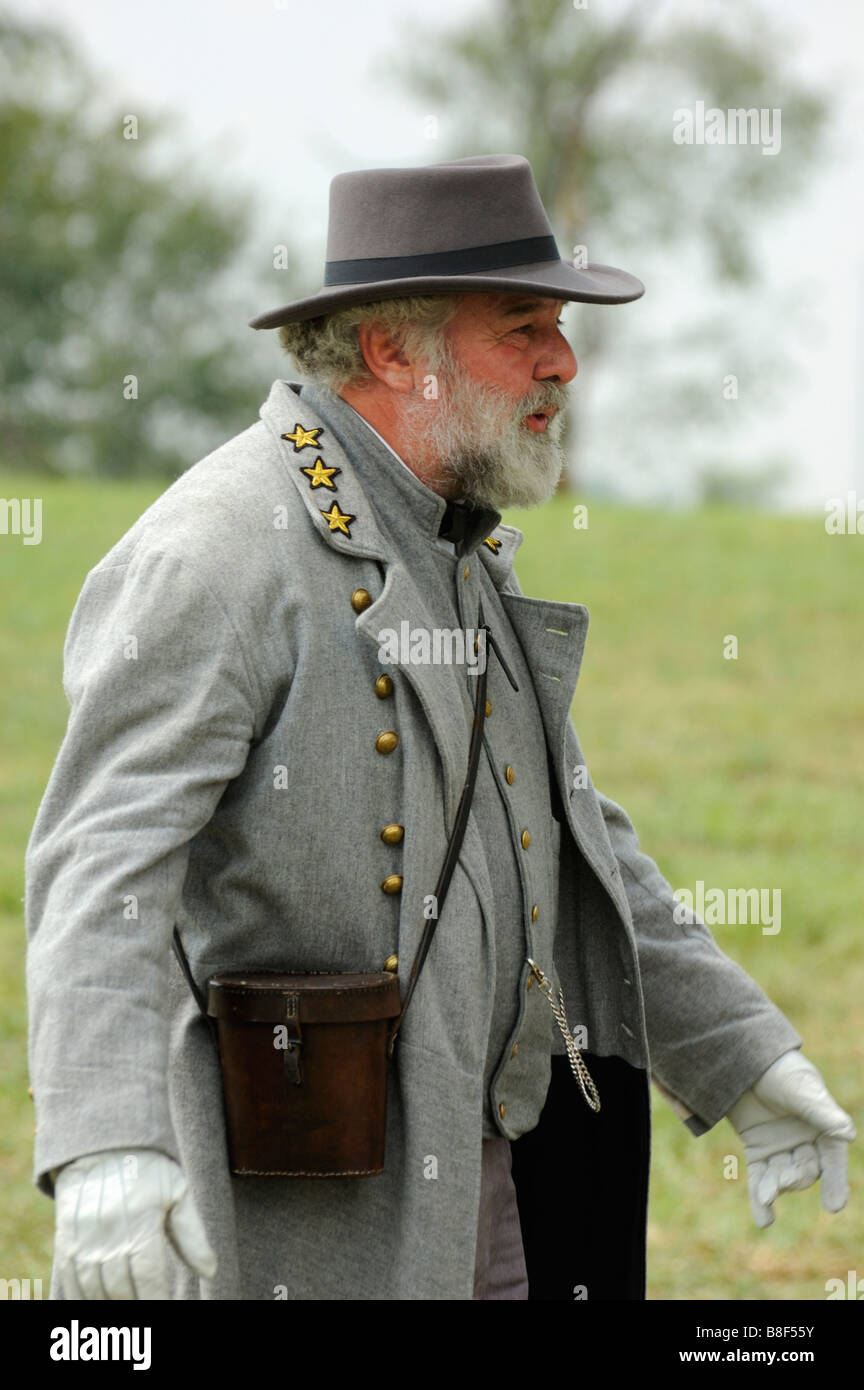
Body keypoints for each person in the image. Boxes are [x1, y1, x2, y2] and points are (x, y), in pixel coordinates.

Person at [26, 154, 854, 1302]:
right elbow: (99, 869)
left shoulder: (463, 548)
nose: (563, 361)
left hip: (502, 1184)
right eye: (523, 326)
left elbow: (574, 842)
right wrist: (107, 1139)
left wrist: (746, 1055)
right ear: (394, 351)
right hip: (312, 1224)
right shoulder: (215, 554)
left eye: (559, 326)